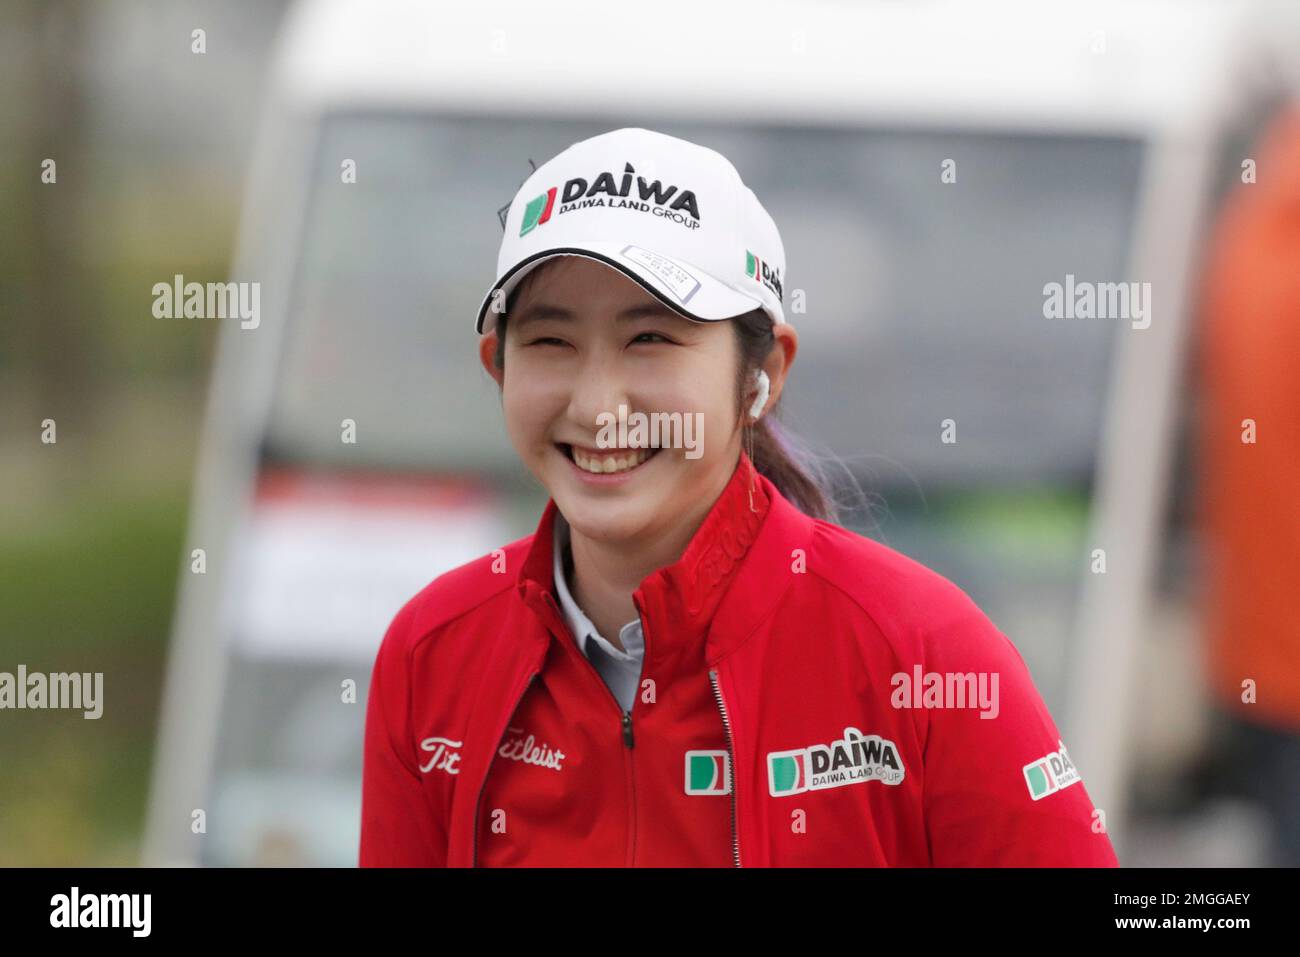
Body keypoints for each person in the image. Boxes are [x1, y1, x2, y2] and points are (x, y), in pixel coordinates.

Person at [359, 127, 1118, 867]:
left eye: (650, 339)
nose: (596, 406)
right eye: (551, 342)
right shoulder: (432, 653)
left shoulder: (922, 650)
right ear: (498, 366)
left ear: (764, 372)